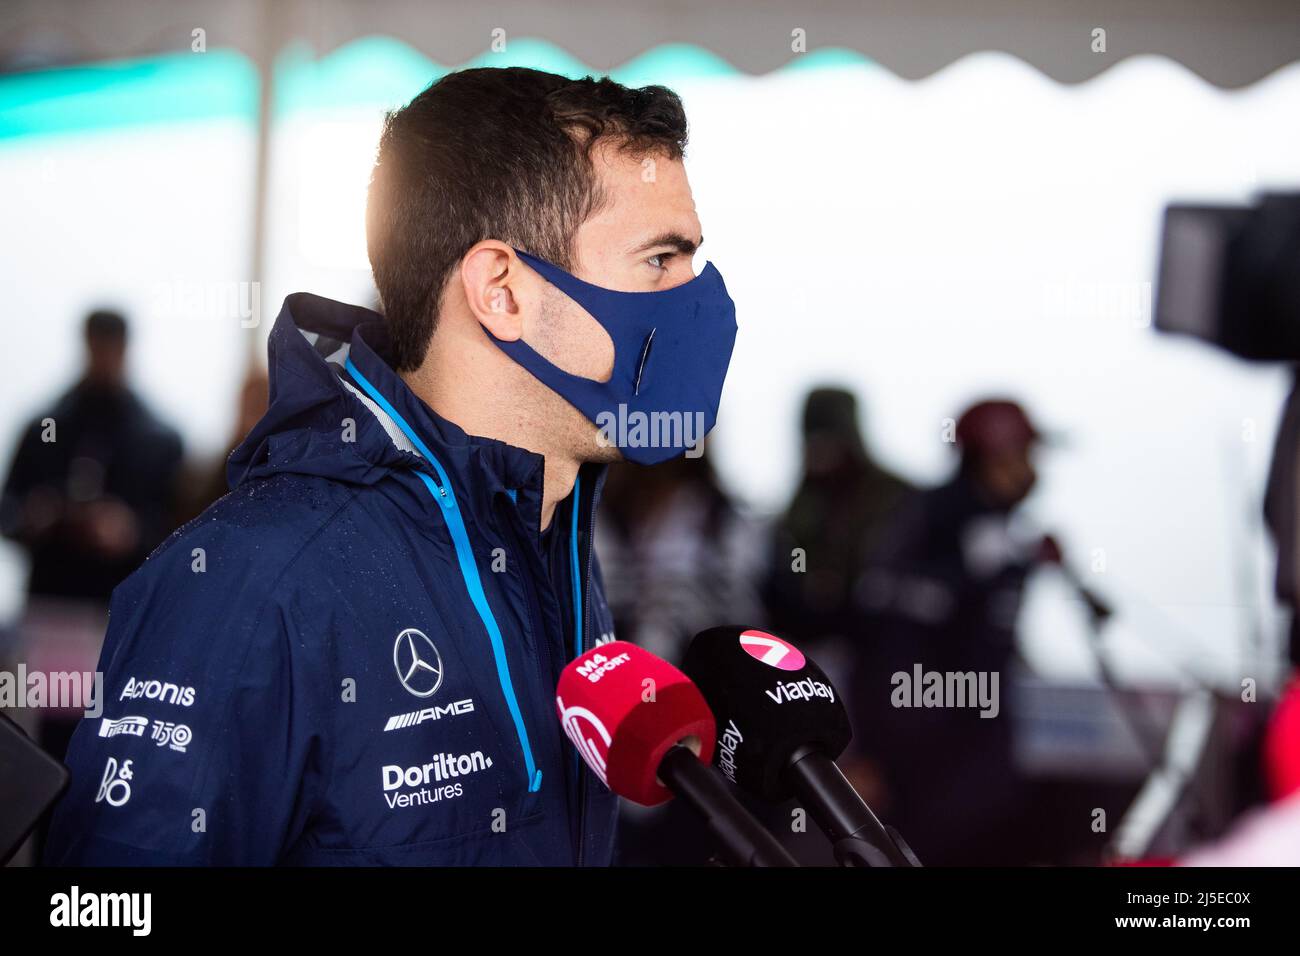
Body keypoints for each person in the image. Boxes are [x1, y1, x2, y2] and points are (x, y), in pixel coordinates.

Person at [44, 67, 738, 866]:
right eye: (660, 260)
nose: (701, 300)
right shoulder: (250, 581)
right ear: (502, 293)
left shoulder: (547, 534)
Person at [848, 398, 1049, 865]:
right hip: (930, 764)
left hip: (974, 760)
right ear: (990, 455)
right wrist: (872, 753)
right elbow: (889, 645)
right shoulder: (935, 527)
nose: (1031, 471)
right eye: (1021, 455)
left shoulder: (998, 532)